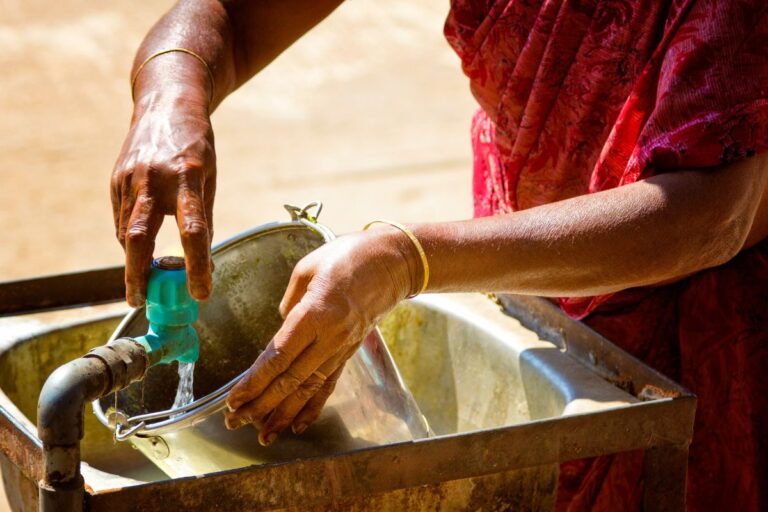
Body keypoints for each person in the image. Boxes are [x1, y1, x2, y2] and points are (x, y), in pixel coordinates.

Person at [110, 1, 768, 510]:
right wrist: (172, 89)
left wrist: (407, 262)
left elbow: (715, 213)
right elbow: (234, 16)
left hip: (704, 347)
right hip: (523, 282)